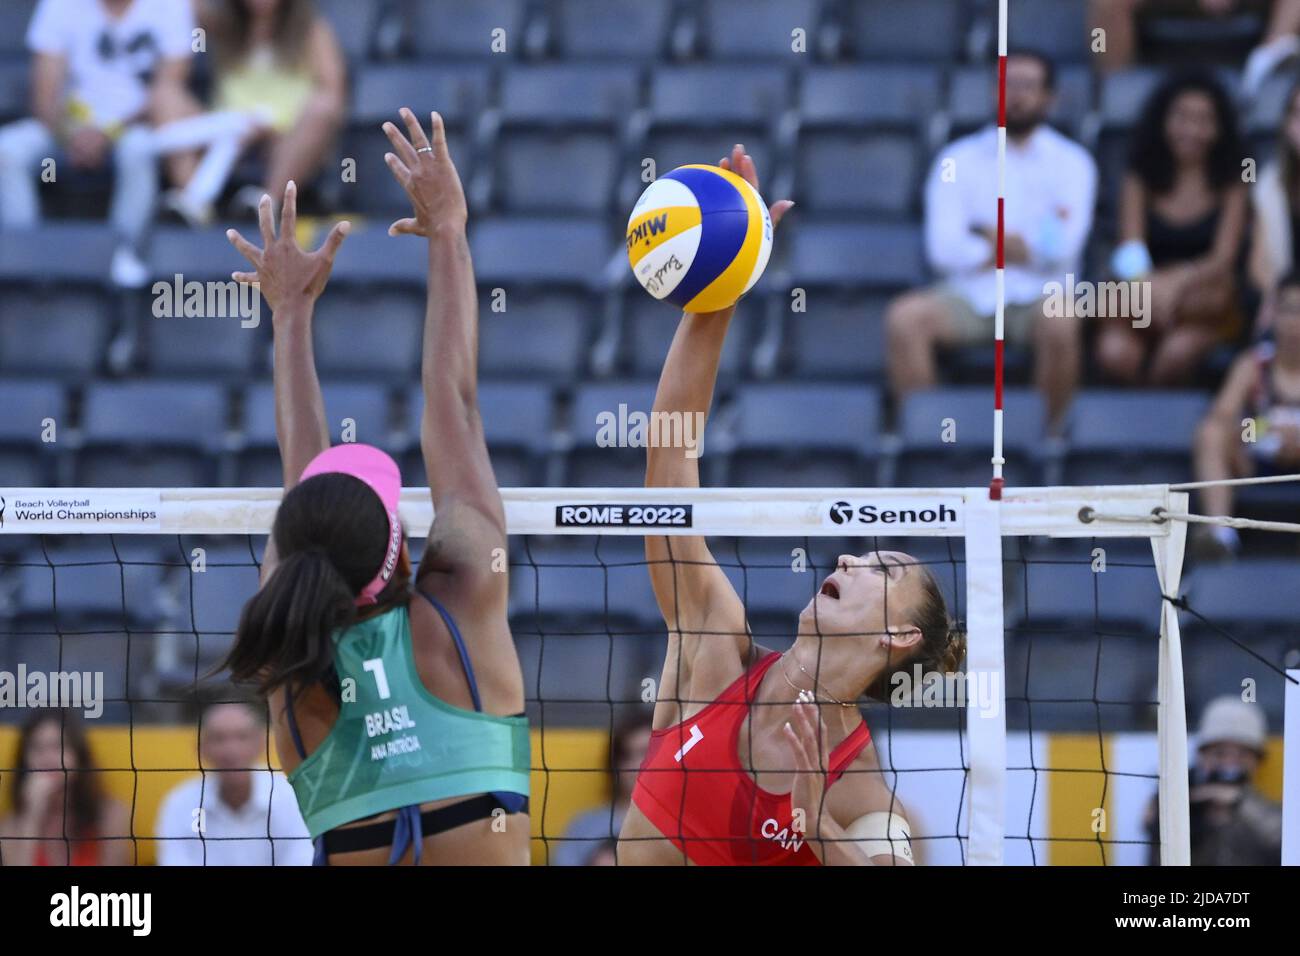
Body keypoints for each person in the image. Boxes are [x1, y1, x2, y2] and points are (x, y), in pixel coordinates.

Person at [618, 145, 963, 867]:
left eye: (878, 569)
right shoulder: (713, 645)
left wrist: (816, 828)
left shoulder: (857, 786)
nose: (846, 557)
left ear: (899, 636)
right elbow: (670, 465)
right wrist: (724, 283)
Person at [220, 109, 530, 866]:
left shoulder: (281, 666)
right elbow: (453, 404)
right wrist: (450, 231)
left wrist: (289, 317)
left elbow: (305, 492)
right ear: (398, 550)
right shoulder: (466, 602)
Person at [886, 50, 1096, 431]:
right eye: (1006, 85)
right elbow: (943, 250)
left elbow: (1060, 250)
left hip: (1042, 294)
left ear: (1050, 97)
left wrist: (984, 233)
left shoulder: (1073, 162)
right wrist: (1019, 246)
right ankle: (930, 441)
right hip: (968, 295)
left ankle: (1044, 448)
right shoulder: (956, 159)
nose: (1015, 95)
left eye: (1028, 86)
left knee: (1063, 320)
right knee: (905, 319)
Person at [0, 0, 196, 287]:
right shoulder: (59, 5)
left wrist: (108, 133)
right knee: (7, 151)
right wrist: (73, 134)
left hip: (137, 126)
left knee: (139, 150)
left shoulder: (171, 5)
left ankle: (121, 261)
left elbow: (166, 94)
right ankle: (25, 260)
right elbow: (44, 100)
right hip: (64, 129)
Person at [1099, 69, 1248, 385]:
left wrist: (1175, 284)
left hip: (1202, 299)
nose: (1191, 130)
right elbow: (1131, 247)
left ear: (1219, 128)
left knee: (1177, 353)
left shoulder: (1233, 182)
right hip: (1141, 294)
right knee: (1115, 352)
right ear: (1162, 121)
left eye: (1203, 120)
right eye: (1182, 117)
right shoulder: (1140, 175)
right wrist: (1150, 286)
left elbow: (1223, 257)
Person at [163, 0, 346, 225]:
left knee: (324, 107)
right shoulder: (223, 26)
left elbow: (333, 91)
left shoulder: (311, 30)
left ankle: (270, 200)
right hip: (224, 129)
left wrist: (273, 131)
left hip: (285, 136)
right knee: (166, 95)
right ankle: (192, 201)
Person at [1192, 269, 1300, 558]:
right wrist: (1264, 430)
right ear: (1274, 314)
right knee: (1212, 433)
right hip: (1257, 464)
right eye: (1289, 310)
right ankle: (1220, 534)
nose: (1295, 323)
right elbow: (1224, 417)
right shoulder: (1252, 365)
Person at [154, 701, 313, 865]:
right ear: (201, 747)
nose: (231, 749)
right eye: (219, 738)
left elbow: (301, 859)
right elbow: (175, 860)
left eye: (242, 737)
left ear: (260, 744)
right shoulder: (181, 801)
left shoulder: (292, 796)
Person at [1145, 696, 1282, 864]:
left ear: (1257, 761)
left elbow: (1279, 839)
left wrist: (1240, 804)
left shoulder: (1265, 810)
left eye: (1242, 755)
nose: (1230, 763)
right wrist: (1183, 809)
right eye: (1220, 753)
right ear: (1202, 755)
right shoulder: (1177, 798)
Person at [0, 710, 131, 866]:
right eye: (37, 748)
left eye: (58, 746)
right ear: (25, 759)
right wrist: (32, 816)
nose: (48, 758)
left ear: (78, 754)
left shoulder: (110, 814)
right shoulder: (11, 826)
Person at [551, 717, 651, 866]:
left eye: (645, 752)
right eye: (626, 755)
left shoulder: (681, 825)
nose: (636, 764)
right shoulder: (585, 825)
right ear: (615, 764)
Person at [1249, 78, 1300, 300]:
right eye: (1298, 114)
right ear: (1286, 124)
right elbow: (1259, 268)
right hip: (1285, 307)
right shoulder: (1269, 183)